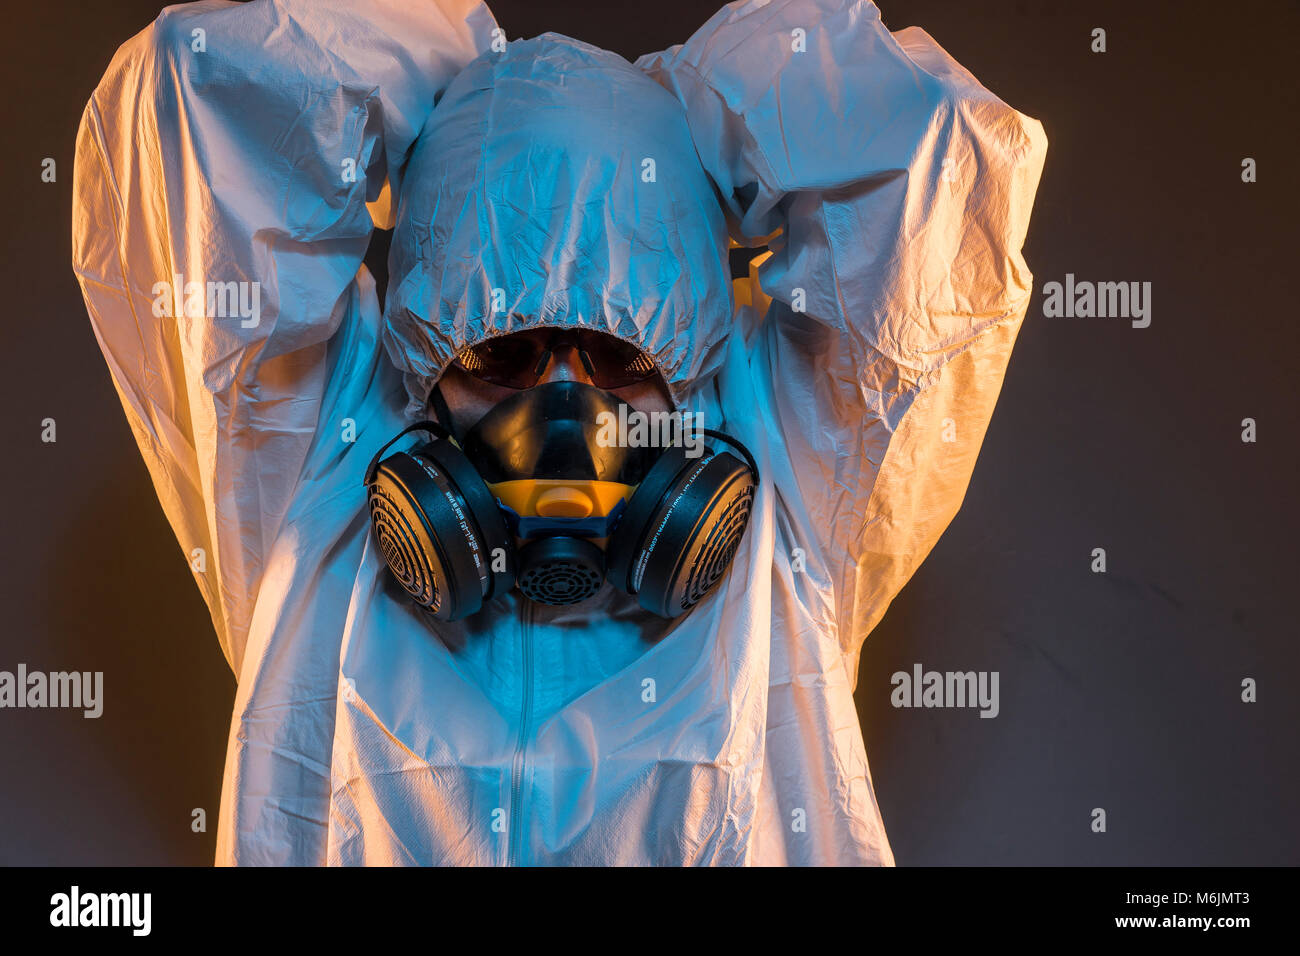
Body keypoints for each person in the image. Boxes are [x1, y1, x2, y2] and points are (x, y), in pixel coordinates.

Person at [72, 0, 1046, 865]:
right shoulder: (320, 453)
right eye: (502, 359)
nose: (566, 426)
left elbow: (937, 142)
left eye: (621, 363)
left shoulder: (788, 453)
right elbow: (192, 83)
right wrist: (452, 78)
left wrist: (698, 111)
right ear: (425, 366)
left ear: (691, 366)